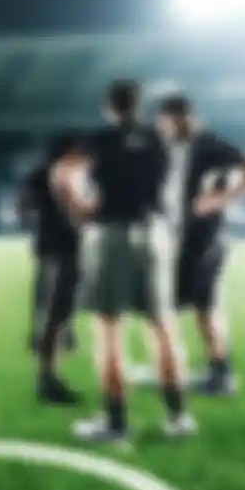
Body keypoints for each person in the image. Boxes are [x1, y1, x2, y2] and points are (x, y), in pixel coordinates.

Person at [53, 80, 195, 442]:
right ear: (140, 105)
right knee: (163, 327)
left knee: (109, 330)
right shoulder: (159, 139)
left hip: (112, 233)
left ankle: (116, 422)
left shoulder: (99, 140)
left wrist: (81, 207)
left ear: (109, 107)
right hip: (153, 233)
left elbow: (63, 175)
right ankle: (178, 417)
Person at [156, 95, 245, 395]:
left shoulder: (209, 143)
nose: (162, 128)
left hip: (206, 238)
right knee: (178, 304)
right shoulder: (175, 148)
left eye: (165, 121)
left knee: (203, 306)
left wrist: (220, 200)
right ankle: (192, 368)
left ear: (180, 118)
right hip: (181, 236)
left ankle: (219, 374)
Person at [19, 133, 85, 405]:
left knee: (52, 307)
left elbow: (24, 209)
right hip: (61, 249)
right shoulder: (59, 175)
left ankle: (51, 355)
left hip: (51, 248)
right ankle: (48, 377)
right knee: (55, 311)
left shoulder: (37, 175)